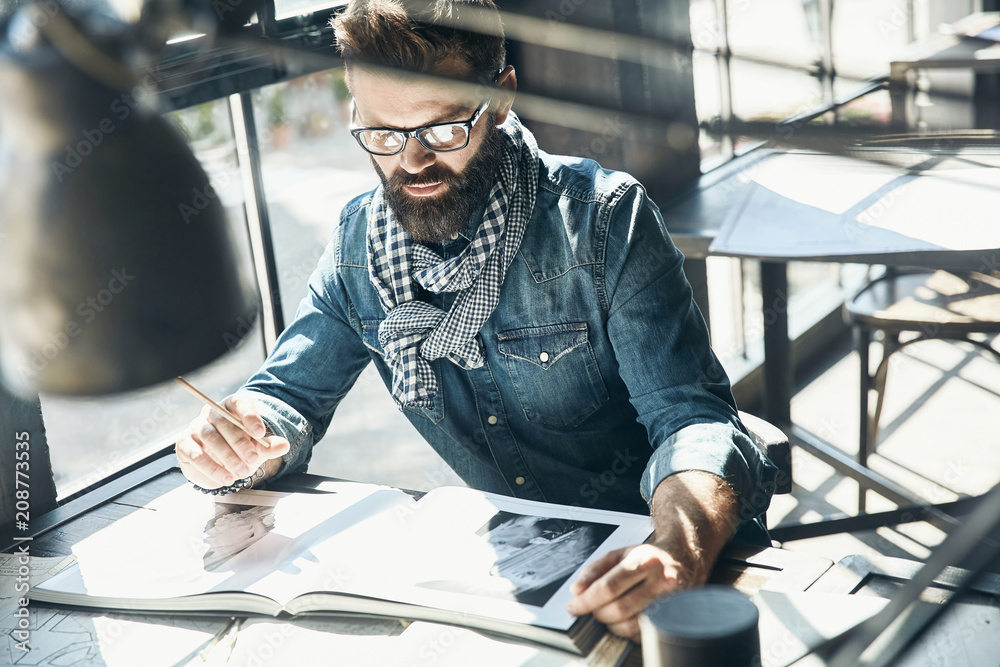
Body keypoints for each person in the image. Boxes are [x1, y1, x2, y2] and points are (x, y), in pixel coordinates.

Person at [175, 0, 777, 640]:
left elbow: (693, 417)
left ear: (501, 97)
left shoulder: (603, 220)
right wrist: (238, 441)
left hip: (666, 568)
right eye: (382, 134)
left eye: (441, 130)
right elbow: (285, 397)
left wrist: (674, 552)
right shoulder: (360, 245)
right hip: (505, 587)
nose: (410, 163)